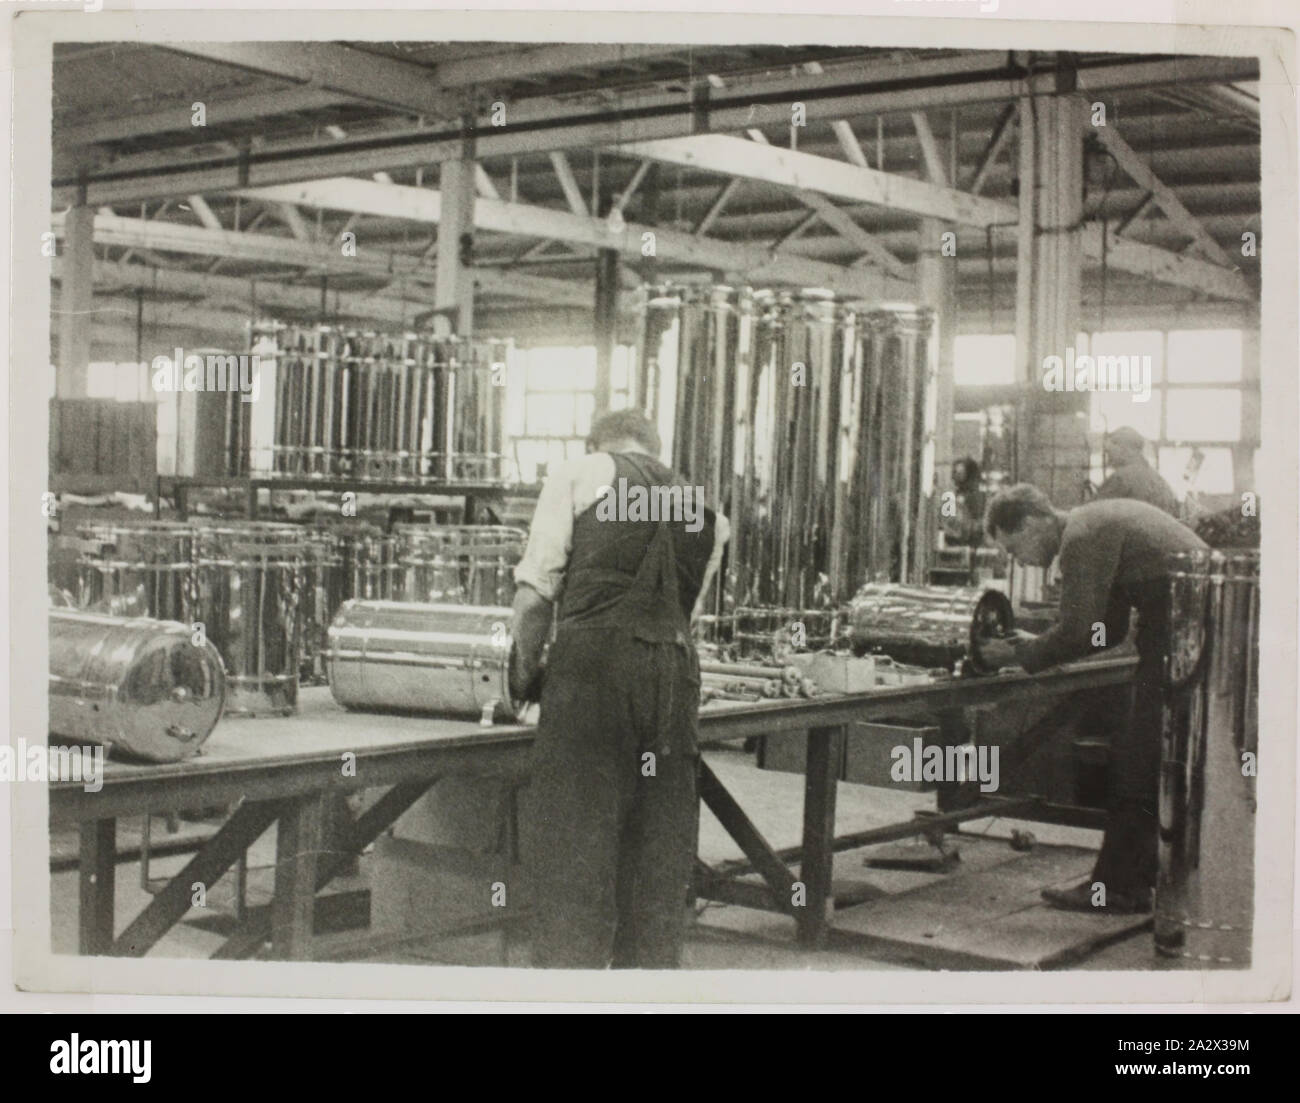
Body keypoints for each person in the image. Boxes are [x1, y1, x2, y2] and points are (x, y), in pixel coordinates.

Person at [509, 409, 729, 967]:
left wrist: (520, 676)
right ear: (658, 450)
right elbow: (684, 616)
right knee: (656, 857)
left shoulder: (580, 474)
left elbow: (535, 599)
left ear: (595, 444)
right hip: (674, 685)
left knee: (576, 850)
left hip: (593, 678)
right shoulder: (710, 515)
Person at [976, 485, 1207, 915]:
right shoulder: (1096, 524)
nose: (1019, 561)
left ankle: (1118, 888)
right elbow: (1109, 630)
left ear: (1031, 523)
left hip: (1183, 628)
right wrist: (1035, 644)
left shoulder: (1081, 536)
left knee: (1138, 760)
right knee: (1154, 757)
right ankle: (1146, 879)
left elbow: (1081, 631)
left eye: (1014, 548)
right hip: (1185, 625)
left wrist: (1021, 653)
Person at [1095, 426, 1179, 516]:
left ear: (1124, 450)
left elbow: (1093, 515)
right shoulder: (1159, 480)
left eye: (1109, 452)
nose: (1108, 459)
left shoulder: (1121, 478)